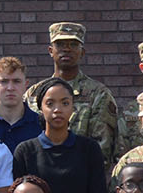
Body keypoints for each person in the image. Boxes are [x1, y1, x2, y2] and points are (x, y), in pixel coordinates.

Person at [23, 22, 120, 165]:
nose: (67, 49)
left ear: (82, 52)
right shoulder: (33, 94)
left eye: (73, 45)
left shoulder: (98, 94)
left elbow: (102, 150)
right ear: (51, 50)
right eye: (60, 45)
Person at [0, 57, 43, 155]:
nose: (10, 88)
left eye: (16, 81)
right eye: (3, 81)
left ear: (26, 84)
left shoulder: (41, 125)